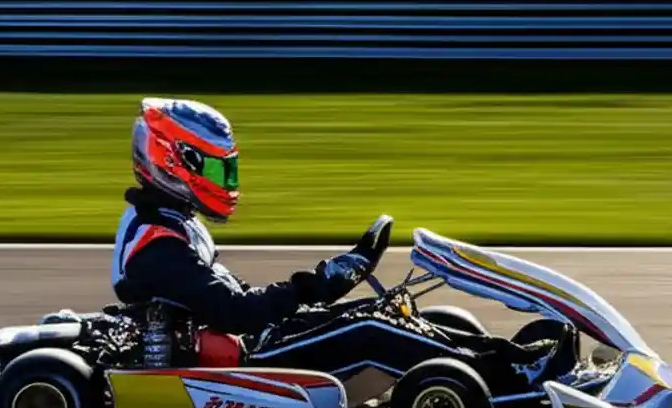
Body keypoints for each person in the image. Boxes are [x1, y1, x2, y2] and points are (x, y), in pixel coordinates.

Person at [111, 97, 559, 388]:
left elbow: (227, 301)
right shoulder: (156, 244)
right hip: (245, 360)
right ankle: (513, 378)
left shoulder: (169, 222)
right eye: (214, 169)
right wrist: (318, 284)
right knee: (369, 332)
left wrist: (321, 289)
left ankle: (511, 356)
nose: (225, 182)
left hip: (248, 340)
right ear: (174, 161)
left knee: (381, 313)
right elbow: (236, 312)